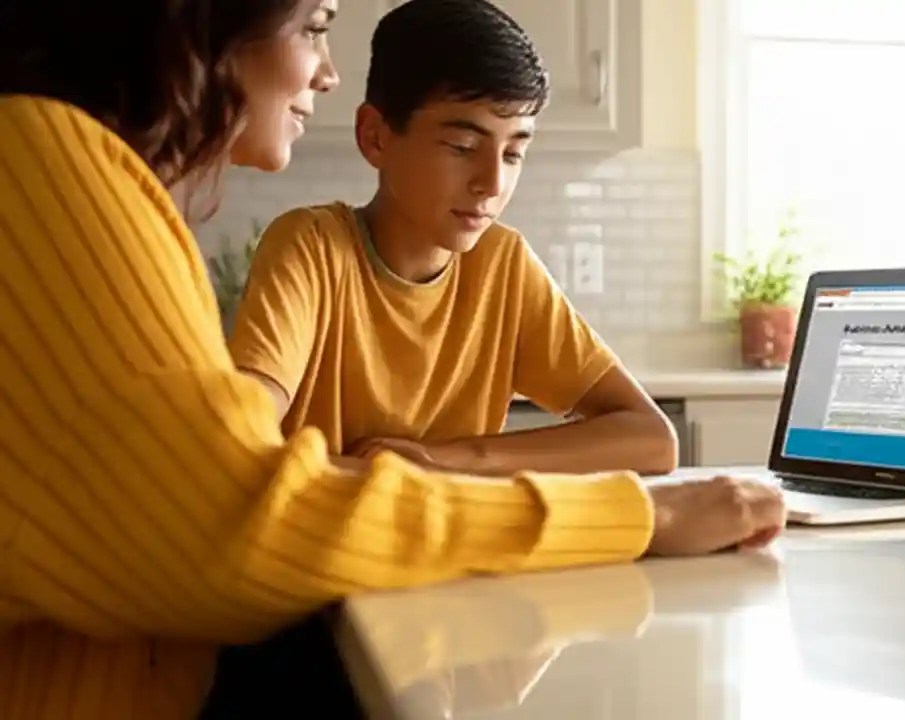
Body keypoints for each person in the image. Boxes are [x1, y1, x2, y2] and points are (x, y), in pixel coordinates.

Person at [0, 1, 786, 718]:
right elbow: (231, 506)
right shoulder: (55, 169)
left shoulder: (78, 172)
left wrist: (451, 460)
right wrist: (636, 517)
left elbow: (200, 499)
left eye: (515, 151)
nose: (328, 69)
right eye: (314, 23)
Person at [228, 0, 677, 477]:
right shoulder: (310, 249)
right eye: (463, 147)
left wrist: (453, 459)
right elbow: (238, 442)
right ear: (375, 137)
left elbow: (651, 440)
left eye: (514, 153)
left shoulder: (503, 267)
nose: (492, 183)